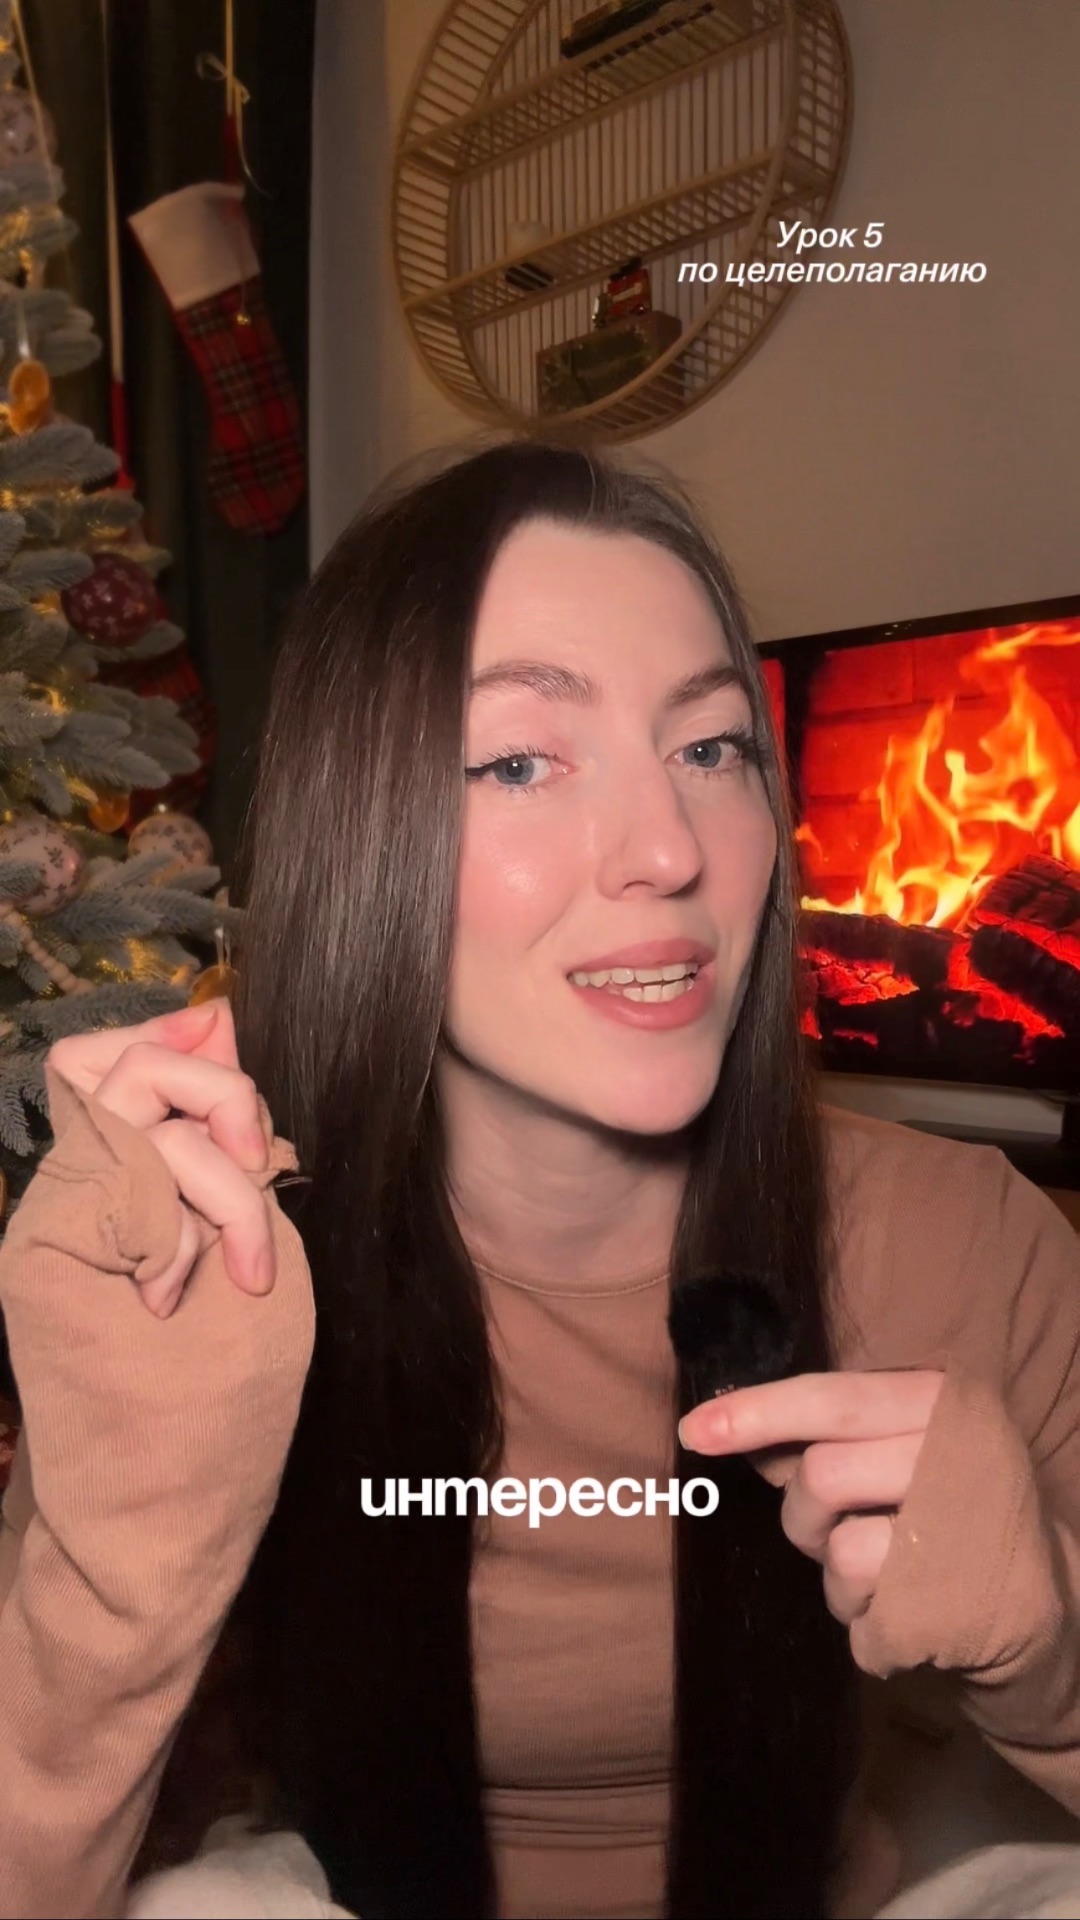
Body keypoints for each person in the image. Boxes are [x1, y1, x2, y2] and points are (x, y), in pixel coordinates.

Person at [0, 437, 1079, 1920]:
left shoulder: (963, 1243)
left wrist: (1053, 1651)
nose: (668, 851)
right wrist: (116, 1572)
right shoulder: (198, 1260)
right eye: (519, 761)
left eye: (713, 748)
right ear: (361, 831)